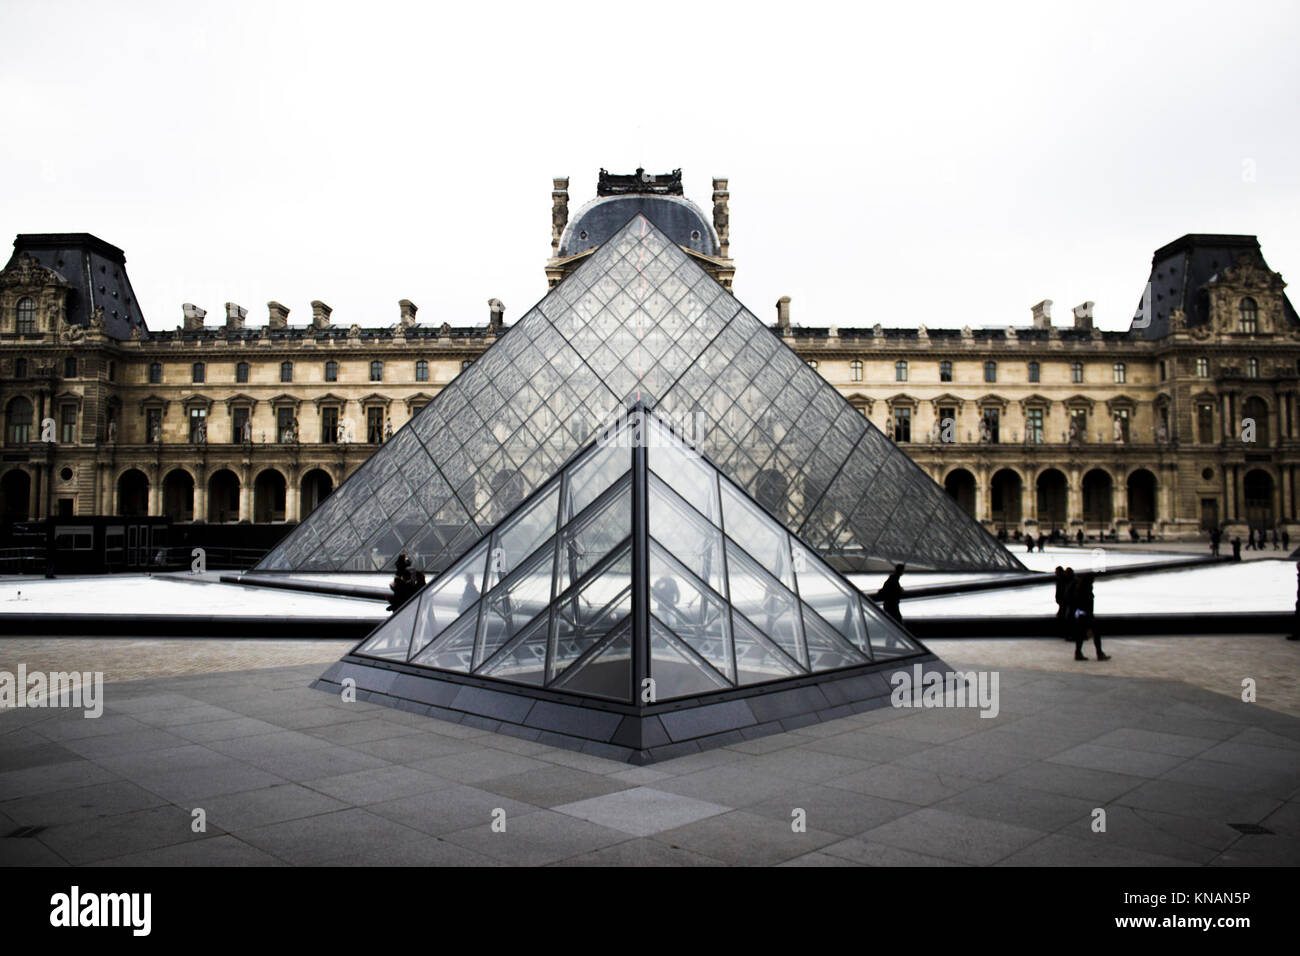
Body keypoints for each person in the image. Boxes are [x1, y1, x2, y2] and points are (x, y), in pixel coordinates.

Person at [1070, 572, 1110, 661]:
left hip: (1081, 615)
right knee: (1096, 633)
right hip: (1087, 615)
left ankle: (1078, 653)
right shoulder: (1086, 589)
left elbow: (1076, 603)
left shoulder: (1079, 589)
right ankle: (1099, 654)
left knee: (1080, 635)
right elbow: (1087, 604)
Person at [1054, 567, 1075, 640]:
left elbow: (1062, 591)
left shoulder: (1061, 580)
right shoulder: (1068, 580)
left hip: (1066, 602)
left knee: (1065, 617)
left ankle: (1066, 634)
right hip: (1066, 602)